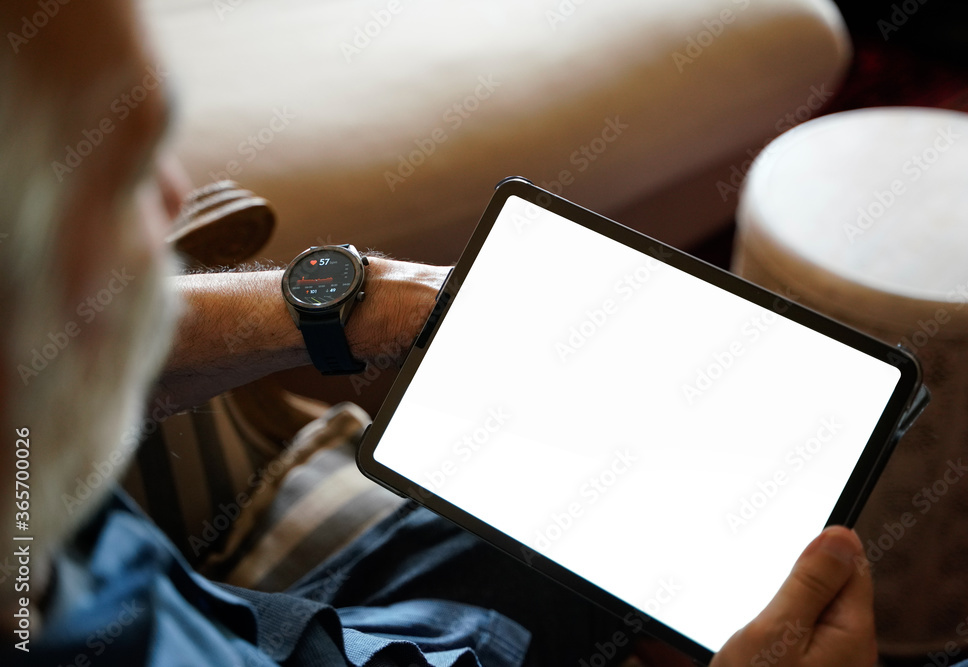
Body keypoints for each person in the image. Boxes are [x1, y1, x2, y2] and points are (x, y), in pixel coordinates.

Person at [0, 0, 887, 664]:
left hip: (281, 620)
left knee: (596, 491)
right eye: (122, 178)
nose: (175, 202)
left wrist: (362, 302)